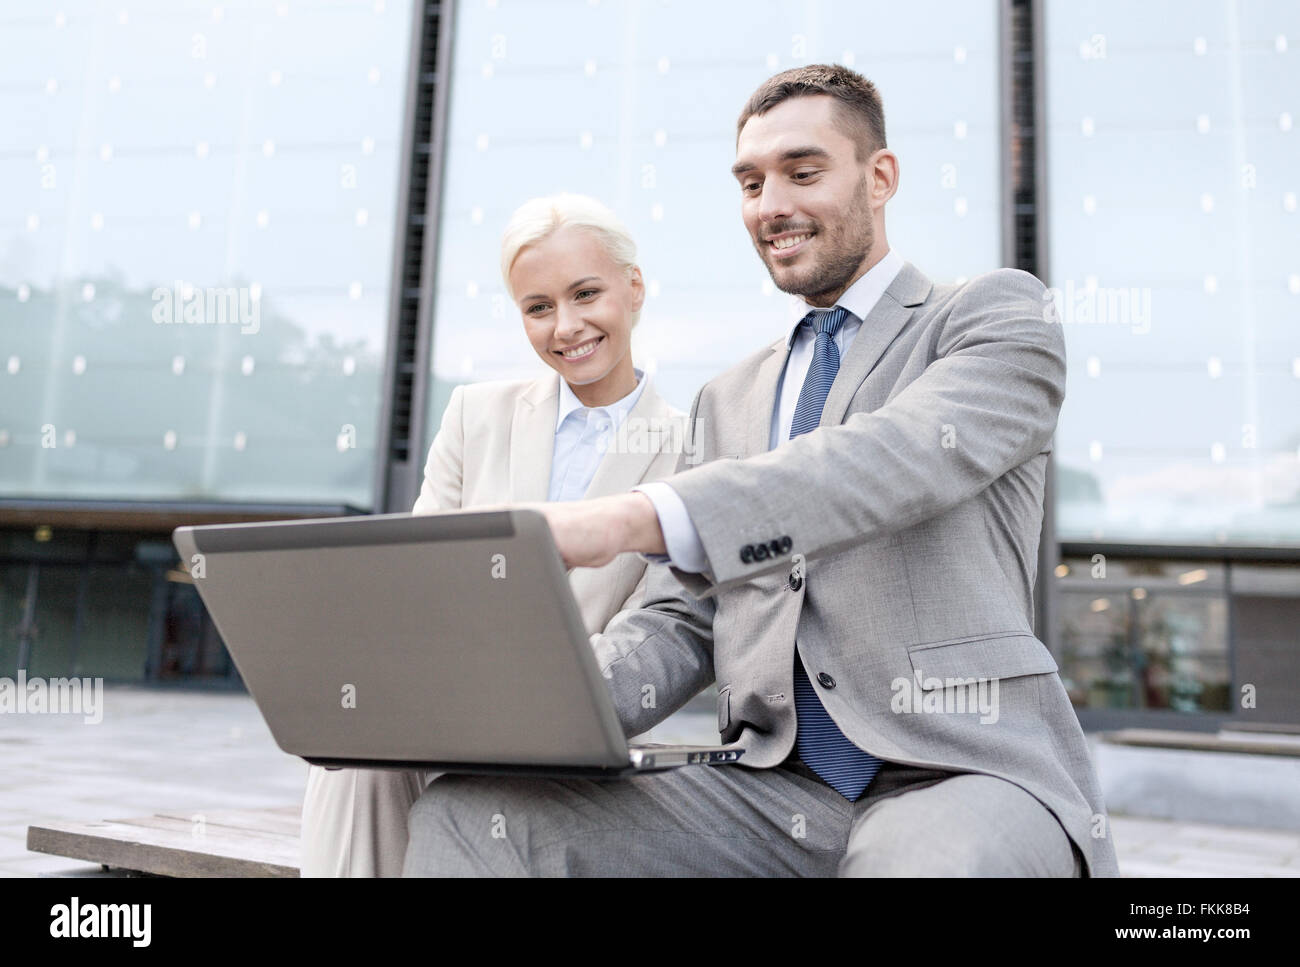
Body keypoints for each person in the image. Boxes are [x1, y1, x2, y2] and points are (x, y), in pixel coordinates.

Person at [403, 64, 1121, 877]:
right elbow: (684, 613)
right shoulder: (730, 398)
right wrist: (525, 705)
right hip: (775, 791)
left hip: (961, 770)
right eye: (750, 182)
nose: (770, 203)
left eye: (802, 172)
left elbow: (885, 461)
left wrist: (632, 514)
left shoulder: (991, 318)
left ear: (879, 177)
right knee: (470, 811)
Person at [300, 193, 685, 876]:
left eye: (585, 293)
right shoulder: (475, 414)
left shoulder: (694, 449)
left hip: (574, 737)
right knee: (354, 758)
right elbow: (414, 589)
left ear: (634, 288)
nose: (565, 327)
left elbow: (658, 628)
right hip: (442, 707)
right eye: (538, 308)